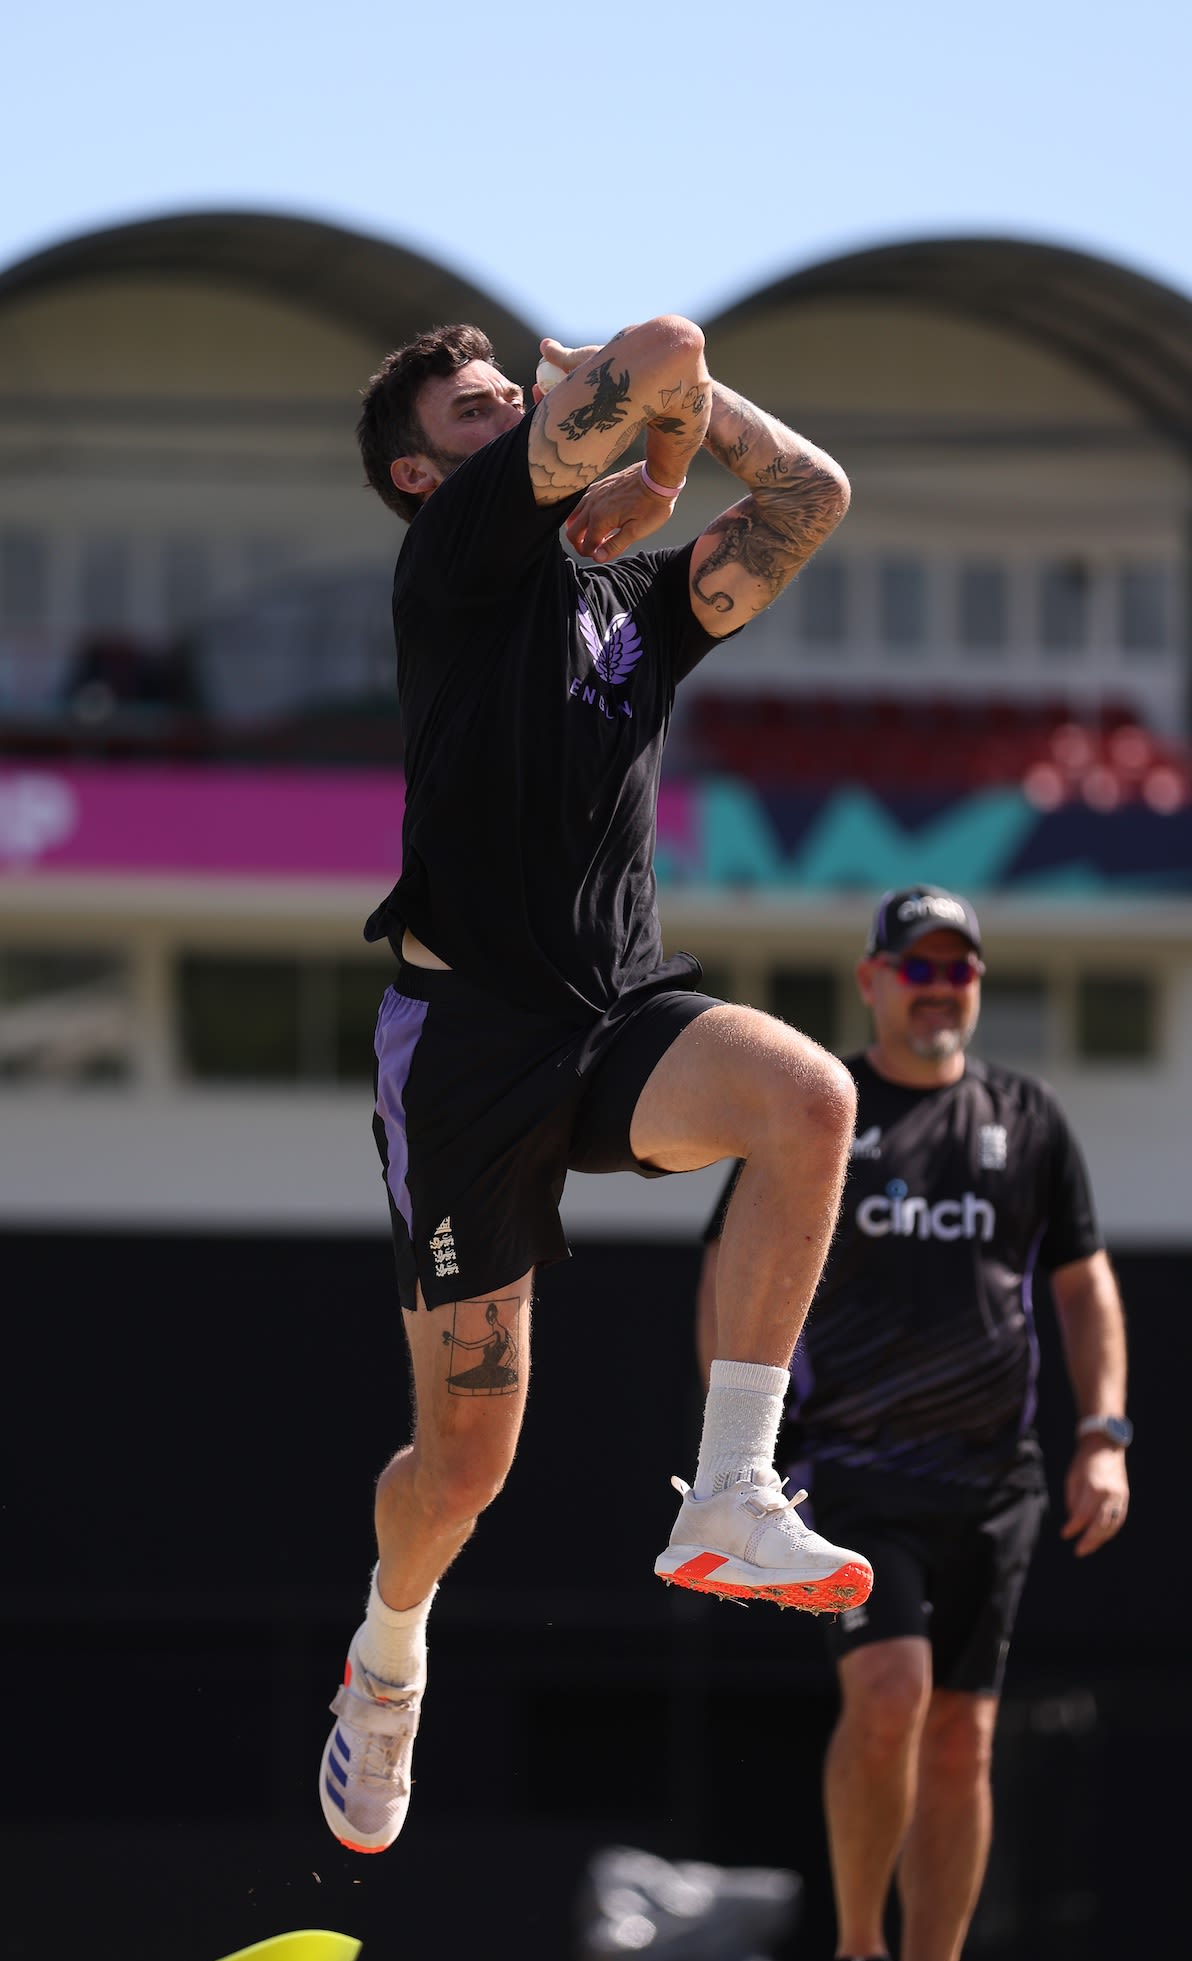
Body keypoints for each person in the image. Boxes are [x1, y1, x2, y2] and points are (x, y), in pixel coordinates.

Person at [320, 314, 874, 1858]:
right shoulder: (460, 556)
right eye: (483, 402)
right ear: (427, 471)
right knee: (463, 1469)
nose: (521, 399)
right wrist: (659, 424)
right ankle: (388, 1650)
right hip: (471, 1050)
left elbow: (814, 494)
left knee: (811, 1099)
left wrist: (685, 444)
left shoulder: (626, 596)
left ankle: (732, 1490)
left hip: (619, 1007)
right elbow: (657, 348)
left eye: (523, 385)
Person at [696, 885, 1132, 1961]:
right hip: (850, 1472)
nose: (939, 988)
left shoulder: (1026, 1120)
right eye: (916, 967)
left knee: (961, 1740)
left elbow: (1083, 1291)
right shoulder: (823, 1114)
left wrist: (1101, 1436)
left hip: (995, 1482)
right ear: (870, 980)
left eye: (958, 969)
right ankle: (857, 1954)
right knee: (887, 1694)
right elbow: (727, 1272)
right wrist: (729, 1450)